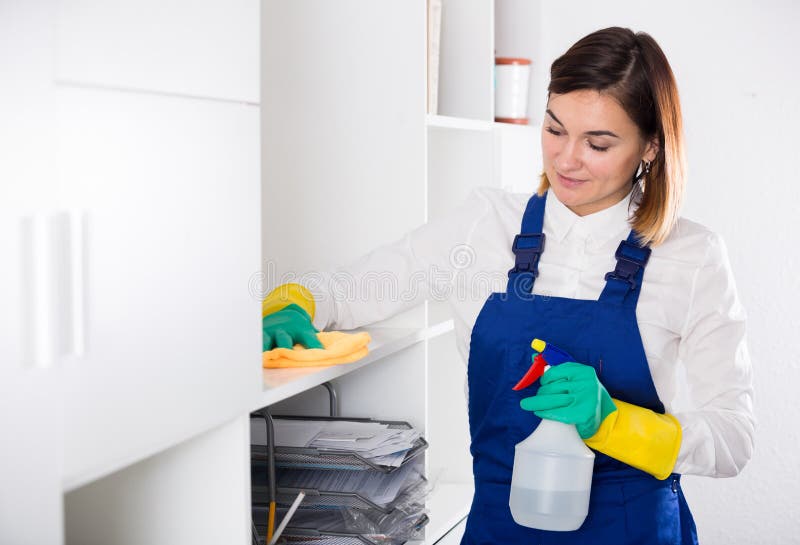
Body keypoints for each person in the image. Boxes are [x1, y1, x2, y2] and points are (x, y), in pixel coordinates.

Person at [261, 27, 754, 544]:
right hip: (502, 530)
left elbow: (733, 438)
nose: (566, 159)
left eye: (598, 143)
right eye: (555, 129)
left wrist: (613, 422)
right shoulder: (485, 226)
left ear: (650, 147)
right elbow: (357, 286)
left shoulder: (692, 257)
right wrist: (296, 303)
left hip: (632, 530)